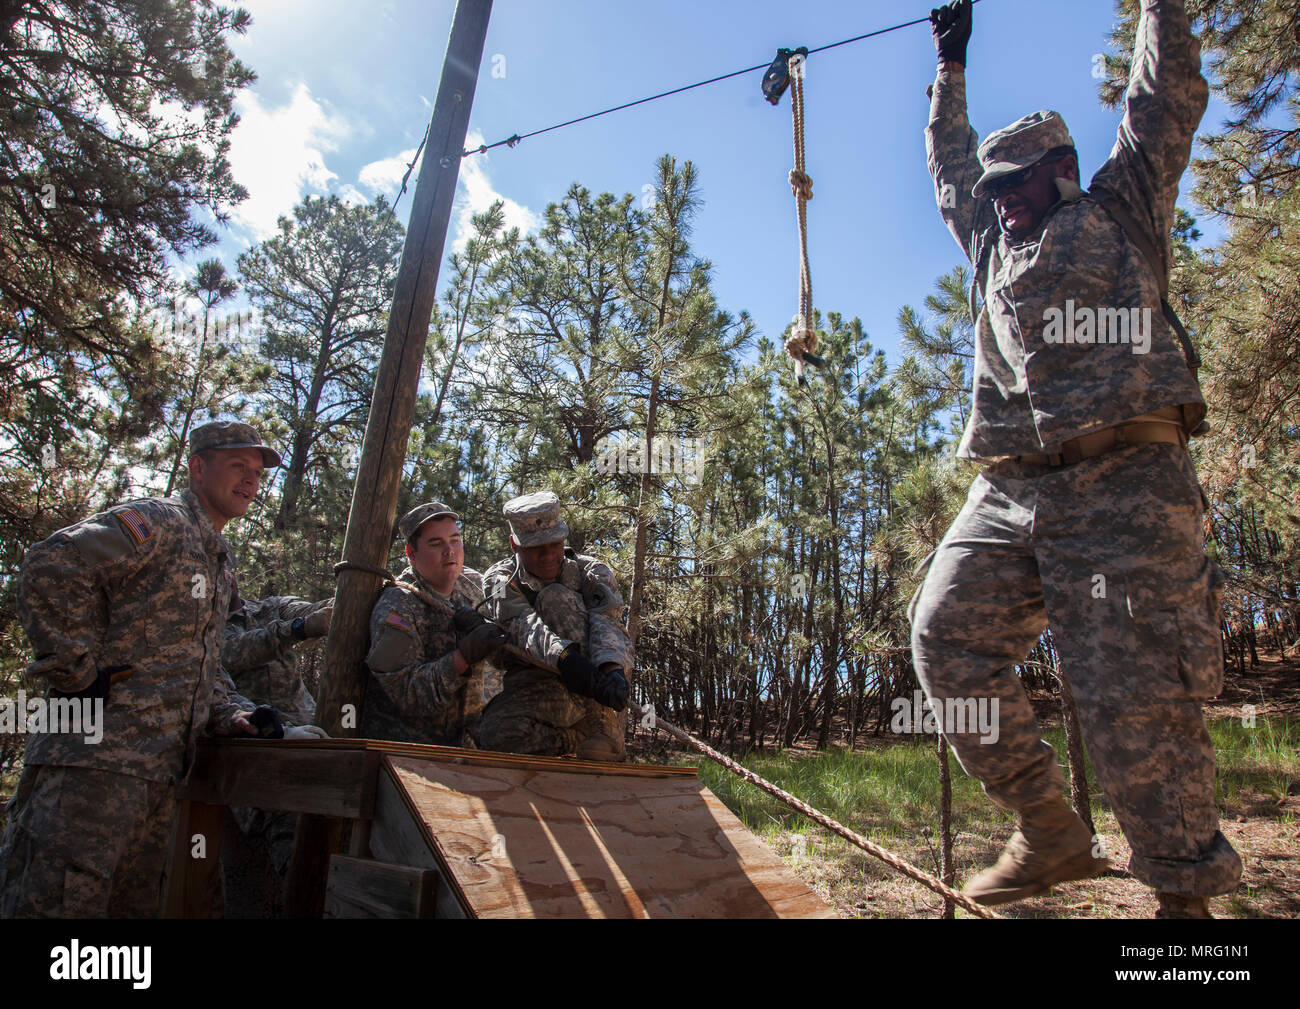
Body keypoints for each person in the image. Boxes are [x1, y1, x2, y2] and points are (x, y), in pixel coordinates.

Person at [912, 0, 1241, 918]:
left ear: (1065, 170)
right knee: (945, 638)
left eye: (1018, 183)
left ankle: (1184, 915)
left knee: (1137, 705)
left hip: (1126, 488)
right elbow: (948, 166)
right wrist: (951, 66)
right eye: (997, 188)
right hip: (1011, 489)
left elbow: (1163, 92)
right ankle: (1049, 828)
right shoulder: (990, 241)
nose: (1002, 199)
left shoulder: (1124, 204)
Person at [0, 420, 279, 918]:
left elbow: (200, 661)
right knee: (54, 906)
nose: (250, 480)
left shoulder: (218, 558)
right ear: (197, 468)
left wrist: (235, 713)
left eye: (257, 472)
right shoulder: (161, 521)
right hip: (88, 767)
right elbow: (52, 563)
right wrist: (76, 673)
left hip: (160, 778)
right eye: (238, 466)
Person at [478, 491, 631, 762]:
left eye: (554, 544)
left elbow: (607, 622)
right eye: (536, 548)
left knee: (554, 598)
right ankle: (575, 739)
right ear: (515, 545)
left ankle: (602, 723)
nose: (548, 555)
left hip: (593, 687)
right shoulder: (499, 582)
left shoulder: (592, 573)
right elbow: (521, 624)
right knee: (495, 734)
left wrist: (611, 669)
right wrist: (563, 656)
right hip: (535, 684)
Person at [220, 591, 332, 915]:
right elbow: (235, 652)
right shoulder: (207, 625)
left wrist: (336, 606)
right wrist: (298, 628)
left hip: (310, 735)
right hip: (252, 746)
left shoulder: (269, 608)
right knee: (290, 832)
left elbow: (308, 609)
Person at [362, 501, 505, 746]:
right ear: (411, 554)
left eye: (455, 539)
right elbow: (404, 693)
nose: (449, 550)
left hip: (470, 745)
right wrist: (462, 658)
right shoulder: (397, 606)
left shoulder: (474, 585)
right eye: (435, 543)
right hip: (410, 751)